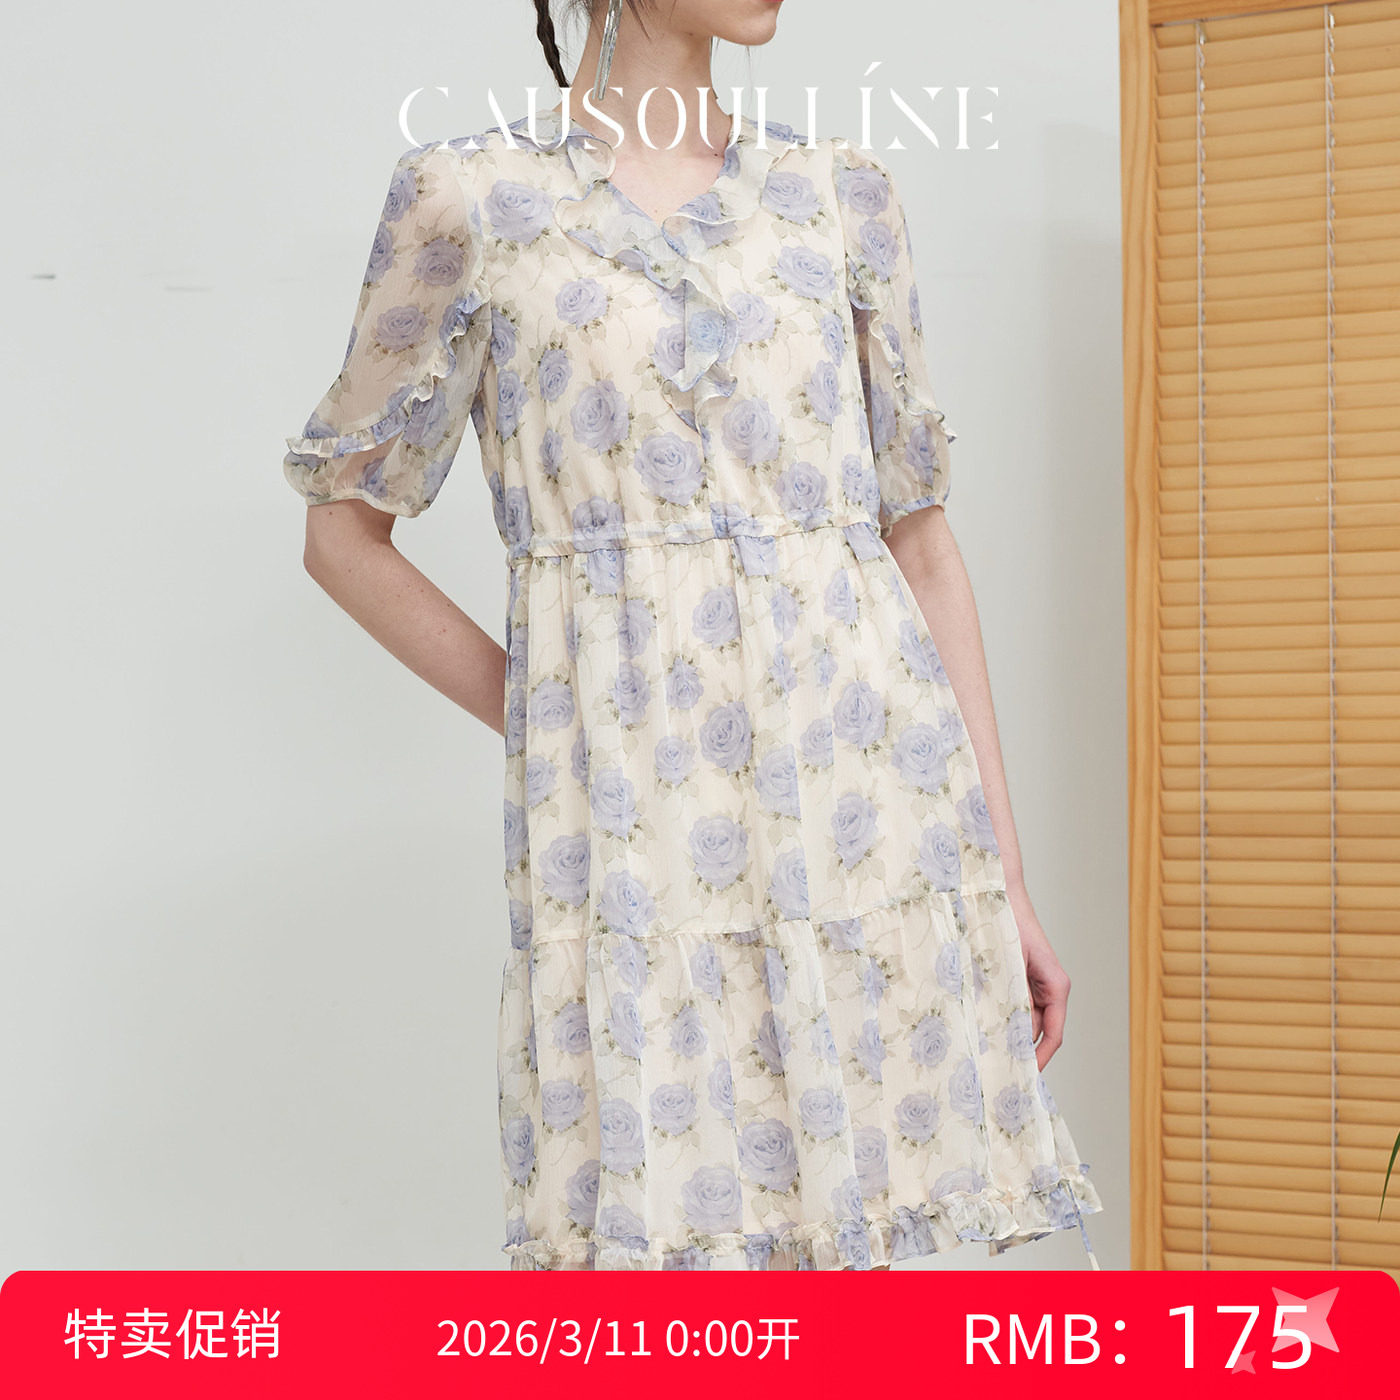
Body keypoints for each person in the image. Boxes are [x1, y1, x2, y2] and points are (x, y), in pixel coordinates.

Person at [282, 0, 1105, 1271]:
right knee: (657, 1270)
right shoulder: (472, 200)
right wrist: (554, 717)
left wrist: (1006, 882)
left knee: (850, 1281)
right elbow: (342, 532)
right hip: (629, 849)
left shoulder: (839, 196)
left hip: (860, 821)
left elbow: (921, 544)